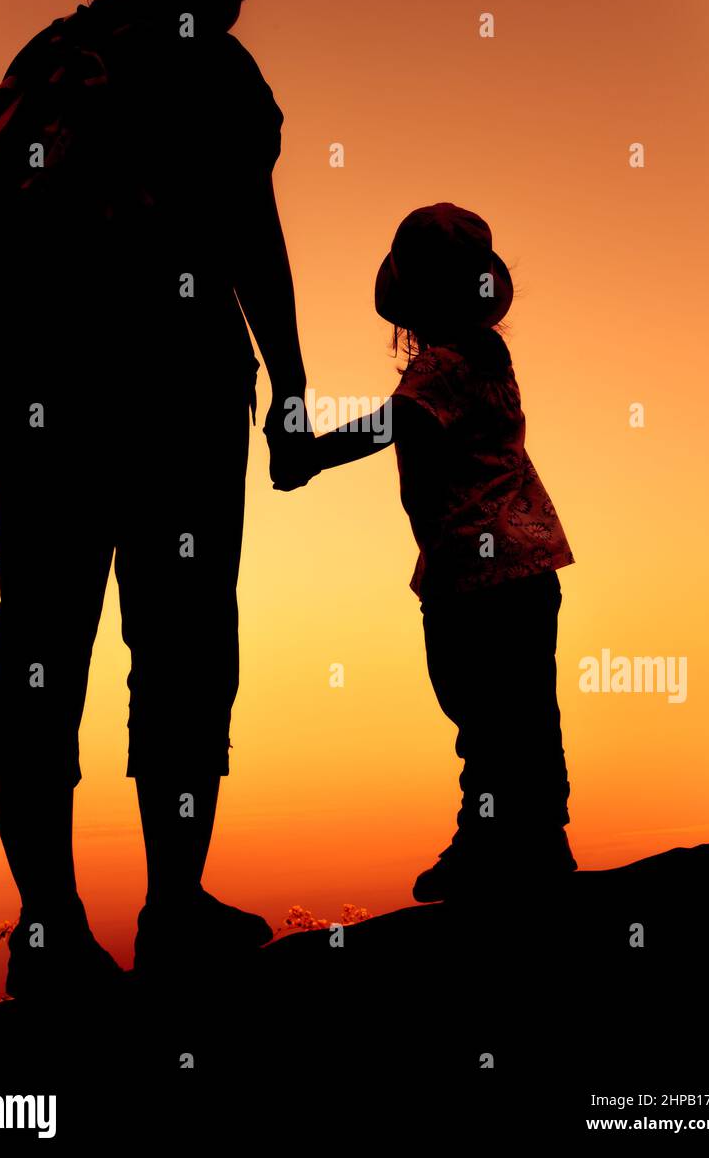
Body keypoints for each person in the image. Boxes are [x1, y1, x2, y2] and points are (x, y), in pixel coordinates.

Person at [0, 0, 312, 995]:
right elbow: (252, 239)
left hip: (31, 392)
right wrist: (291, 397)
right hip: (173, 393)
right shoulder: (217, 69)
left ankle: (46, 925)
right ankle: (172, 907)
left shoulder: (50, 52)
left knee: (41, 640)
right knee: (185, 649)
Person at [277, 203, 577, 900]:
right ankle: (540, 835)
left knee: (478, 710)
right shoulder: (490, 357)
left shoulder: (441, 368)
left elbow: (393, 424)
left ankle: (488, 835)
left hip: (475, 571)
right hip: (527, 562)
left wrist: (313, 455)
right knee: (526, 706)